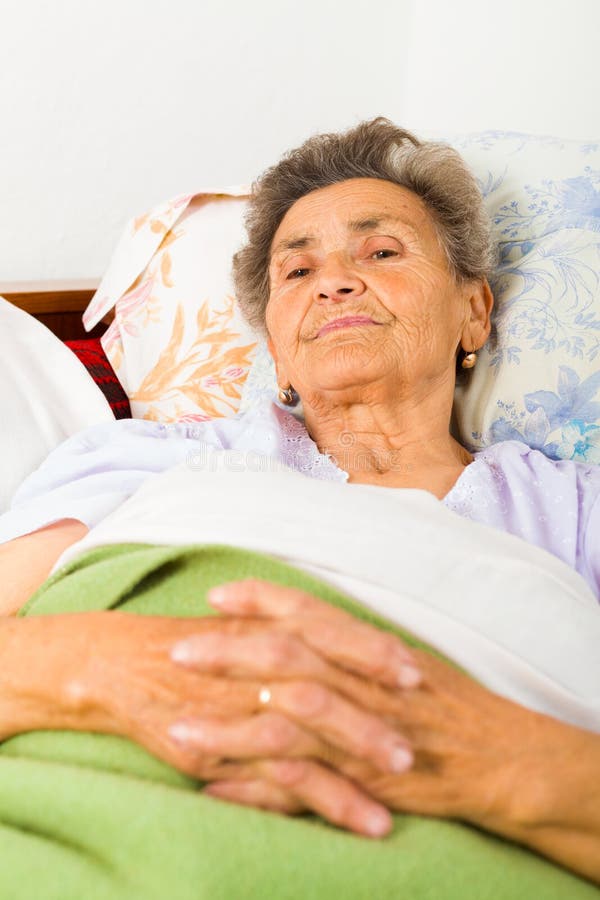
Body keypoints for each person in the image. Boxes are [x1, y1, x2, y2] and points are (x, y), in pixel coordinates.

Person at [0, 117, 599, 885]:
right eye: (296, 271)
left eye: (381, 252)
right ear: (277, 343)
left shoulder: (572, 512)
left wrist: (494, 757)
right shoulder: (152, 459)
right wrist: (97, 669)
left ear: (473, 311)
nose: (334, 281)